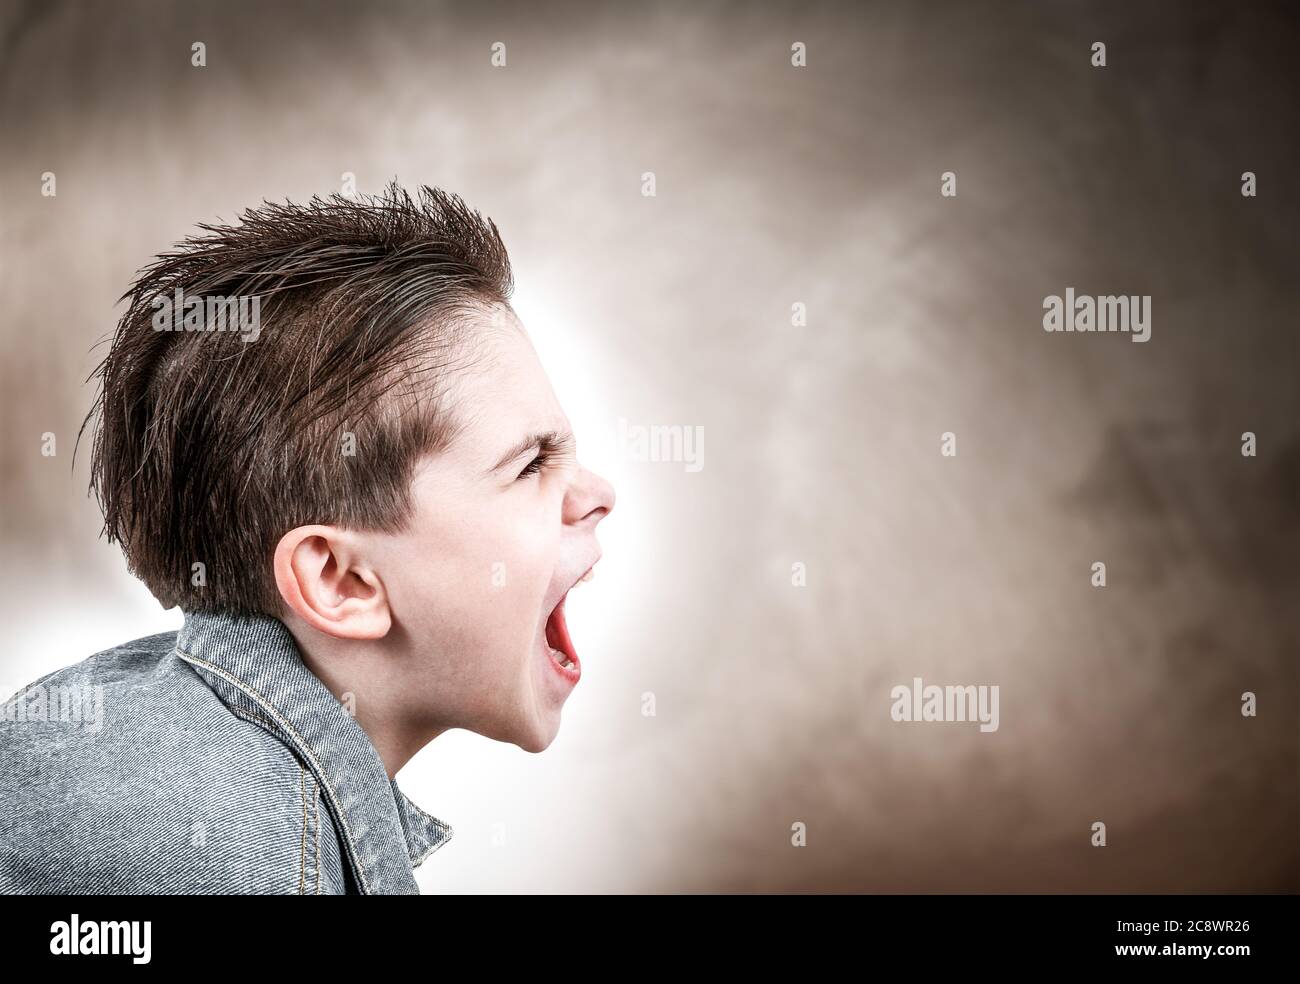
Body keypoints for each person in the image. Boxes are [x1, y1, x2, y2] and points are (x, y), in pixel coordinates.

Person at [0, 184, 615, 894]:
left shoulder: (141, 736)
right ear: (341, 581)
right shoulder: (230, 863)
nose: (599, 495)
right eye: (531, 464)